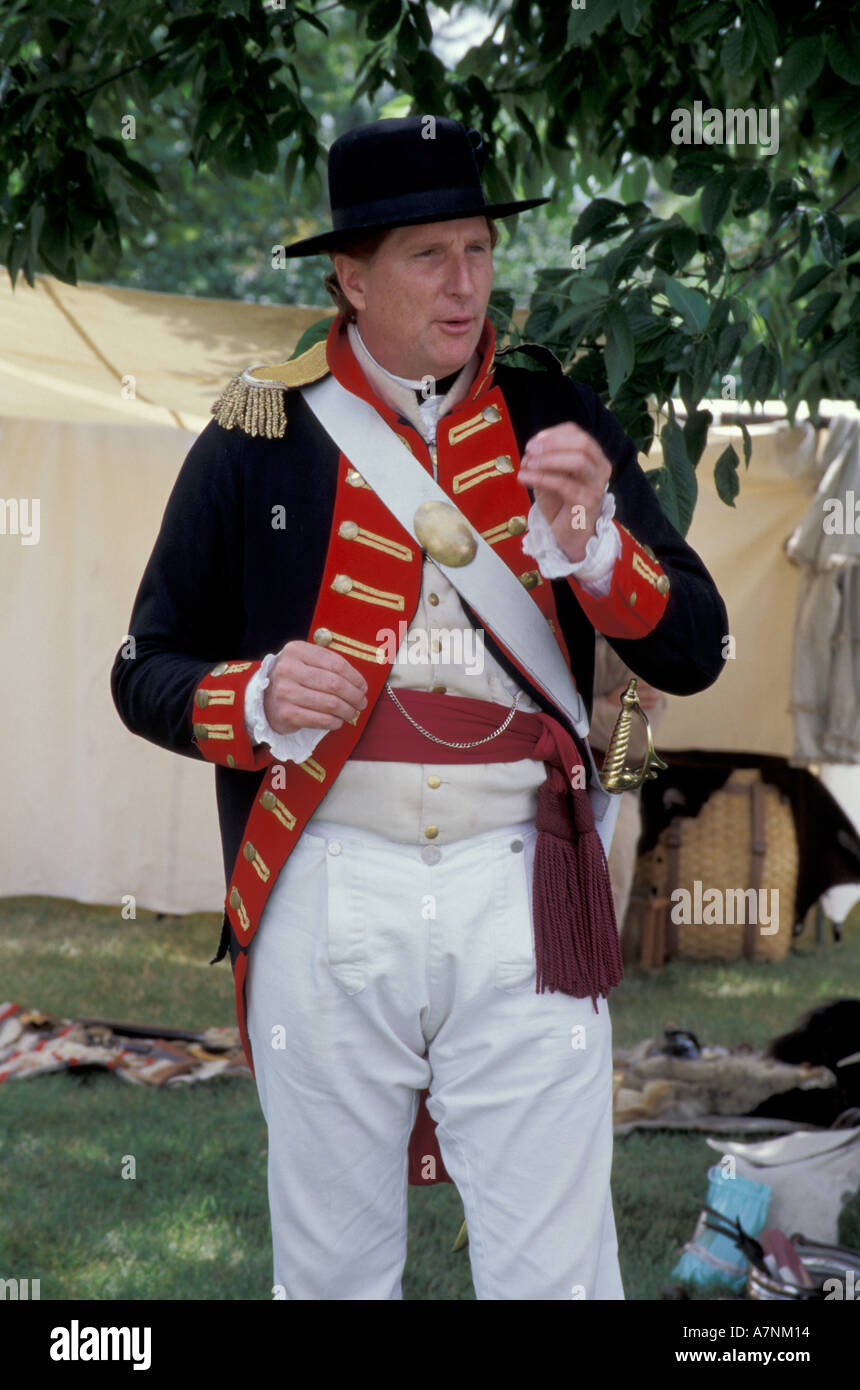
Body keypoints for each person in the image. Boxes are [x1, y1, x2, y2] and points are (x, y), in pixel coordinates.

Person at [111, 115, 728, 1301]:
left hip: (520, 883)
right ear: (348, 278)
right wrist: (255, 691)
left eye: (477, 250)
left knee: (557, 1275)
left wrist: (597, 551)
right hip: (329, 882)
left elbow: (694, 644)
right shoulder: (259, 427)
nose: (465, 284)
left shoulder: (555, 409)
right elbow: (146, 665)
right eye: (427, 256)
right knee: (333, 1273)